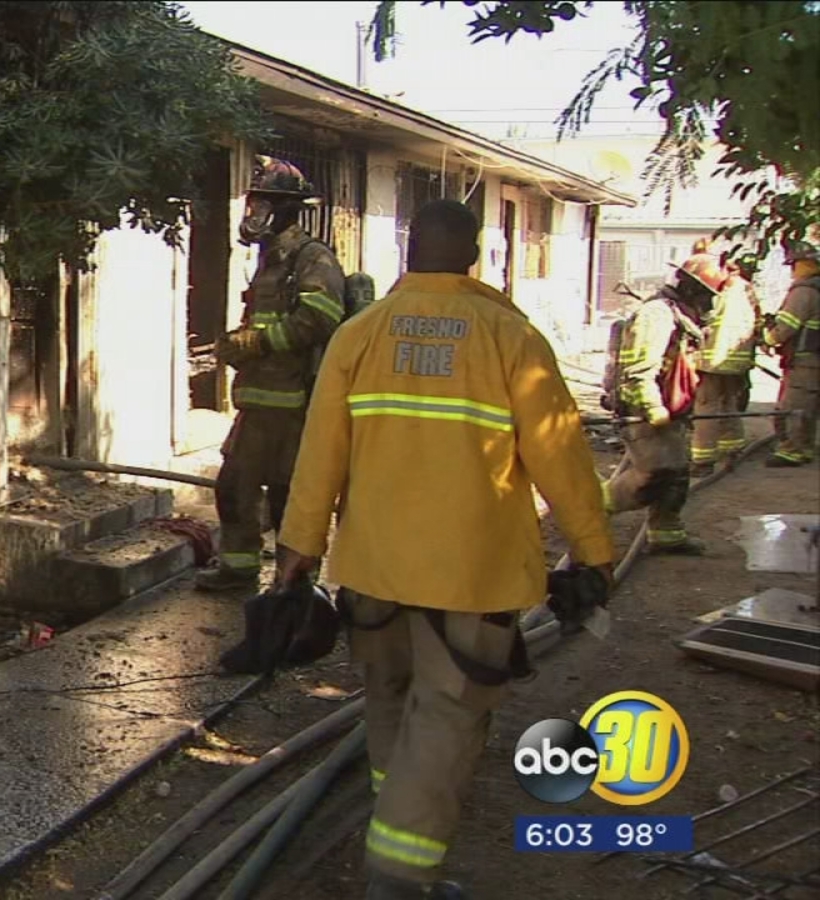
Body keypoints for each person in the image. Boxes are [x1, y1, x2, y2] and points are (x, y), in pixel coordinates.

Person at [274, 199, 616, 900]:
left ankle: (392, 817)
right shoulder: (510, 338)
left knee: (388, 692)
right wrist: (593, 550)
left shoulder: (359, 335)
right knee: (449, 711)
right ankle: (400, 875)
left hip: (373, 569)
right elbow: (562, 458)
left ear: (409, 253)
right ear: (474, 256)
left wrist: (298, 548)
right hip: (471, 575)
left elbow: (319, 454)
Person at [195, 155, 347, 591]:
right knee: (233, 487)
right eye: (253, 204)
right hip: (259, 404)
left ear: (286, 209)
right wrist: (239, 344)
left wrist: (258, 343)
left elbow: (320, 318)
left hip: (296, 406)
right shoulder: (272, 260)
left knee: (288, 499)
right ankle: (238, 569)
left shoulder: (312, 258)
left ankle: (295, 585)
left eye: (263, 204)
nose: (254, 213)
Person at [601, 254, 723, 554]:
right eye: (707, 295)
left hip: (670, 408)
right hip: (643, 409)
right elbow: (640, 370)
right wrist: (653, 407)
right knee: (654, 475)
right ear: (693, 290)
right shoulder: (657, 315)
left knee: (677, 472)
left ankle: (667, 534)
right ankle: (593, 505)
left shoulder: (678, 314)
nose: (708, 304)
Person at [690, 252, 760, 474]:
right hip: (737, 362)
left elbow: (701, 324)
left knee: (706, 408)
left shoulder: (720, 295)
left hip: (713, 361)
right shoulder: (748, 292)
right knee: (729, 404)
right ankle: (732, 451)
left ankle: (703, 461)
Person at [762, 240, 820, 467]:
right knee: (808, 406)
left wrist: (767, 340)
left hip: (805, 360)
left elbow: (787, 326)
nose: (792, 271)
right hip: (813, 359)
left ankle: (792, 451)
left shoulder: (804, 291)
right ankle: (804, 448)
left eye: (793, 265)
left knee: (793, 406)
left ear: (803, 264)